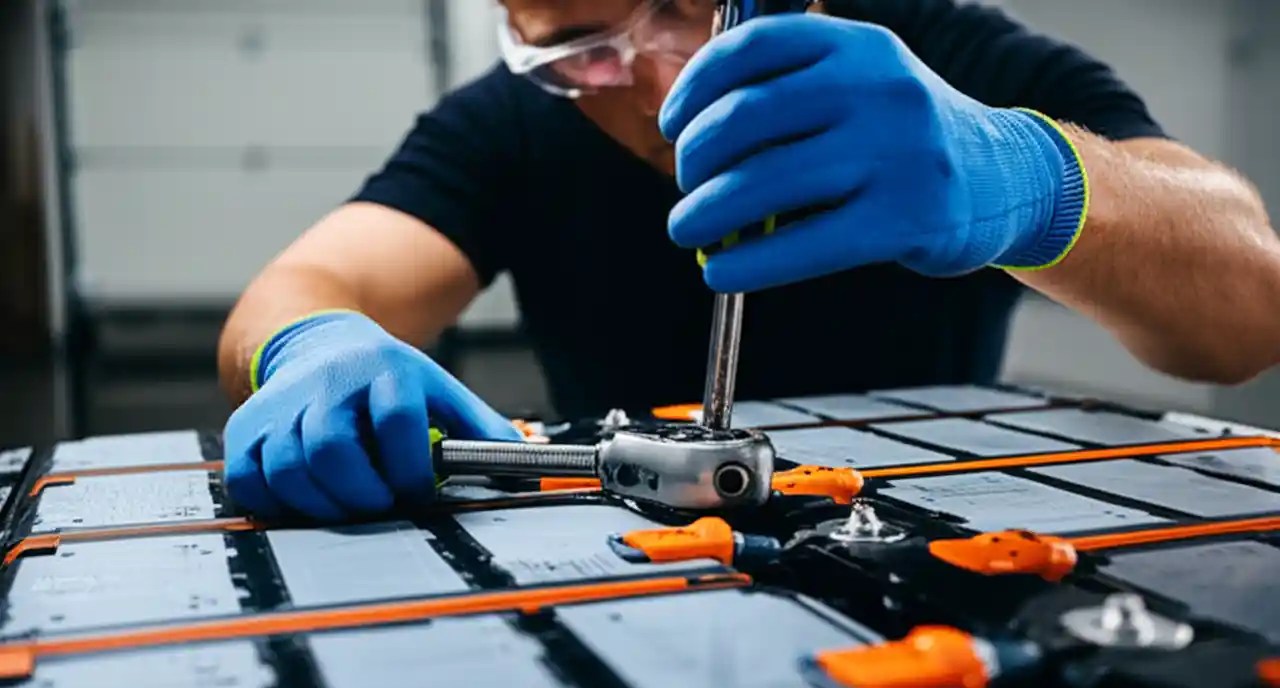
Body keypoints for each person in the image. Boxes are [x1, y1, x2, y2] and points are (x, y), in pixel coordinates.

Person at [217, 0, 1280, 521]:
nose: (659, 85)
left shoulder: (956, 60)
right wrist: (311, 345)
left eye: (688, 7)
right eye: (583, 49)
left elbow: (1249, 312)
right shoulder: (503, 127)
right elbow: (301, 291)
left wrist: (1031, 179)